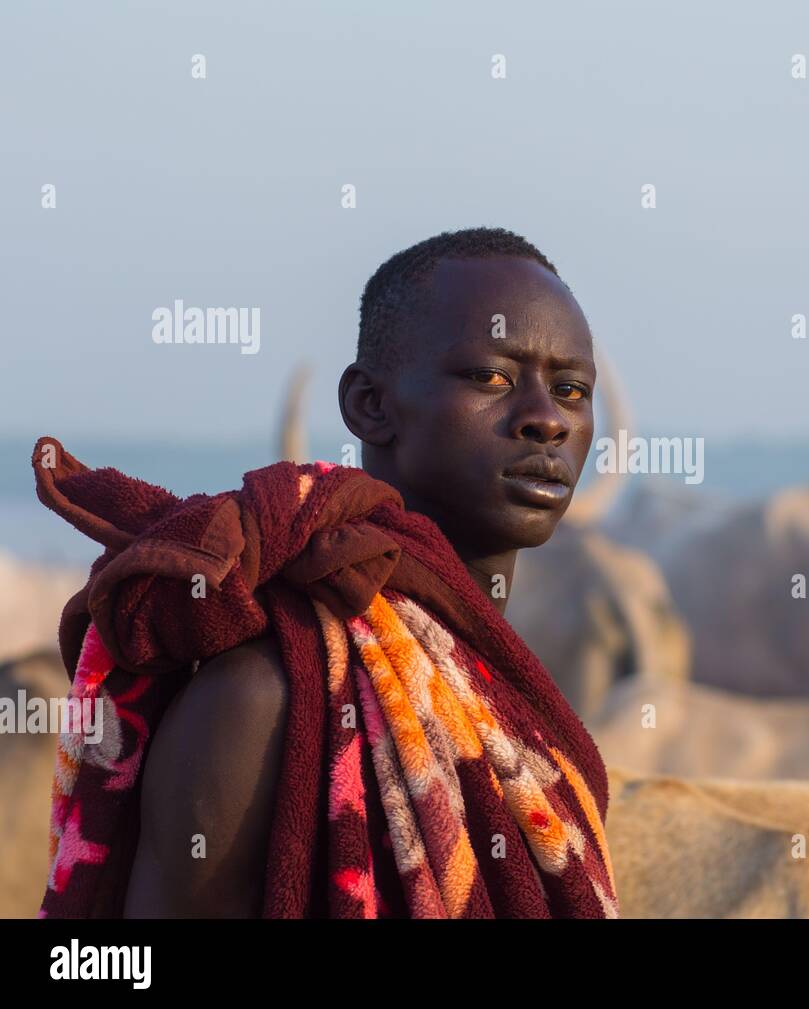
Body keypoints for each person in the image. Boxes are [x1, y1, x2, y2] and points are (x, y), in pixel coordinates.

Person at [35, 227, 616, 918]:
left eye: (572, 389)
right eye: (491, 376)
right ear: (369, 405)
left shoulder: (506, 699)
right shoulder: (261, 698)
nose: (547, 419)